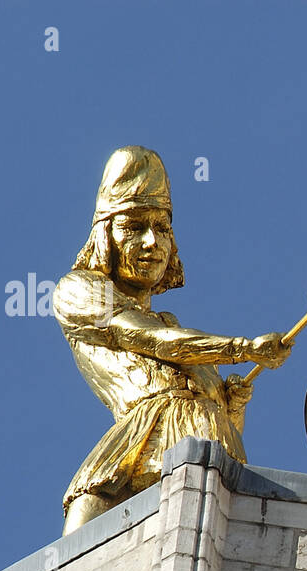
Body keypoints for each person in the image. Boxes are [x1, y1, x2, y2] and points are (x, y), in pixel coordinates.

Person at [54, 146, 289, 533]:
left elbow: (213, 417)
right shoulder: (80, 291)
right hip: (140, 436)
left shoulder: (172, 323)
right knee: (82, 544)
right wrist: (242, 348)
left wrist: (232, 407)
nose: (152, 242)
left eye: (162, 228)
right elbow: (150, 338)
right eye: (134, 226)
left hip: (207, 441)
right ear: (105, 235)